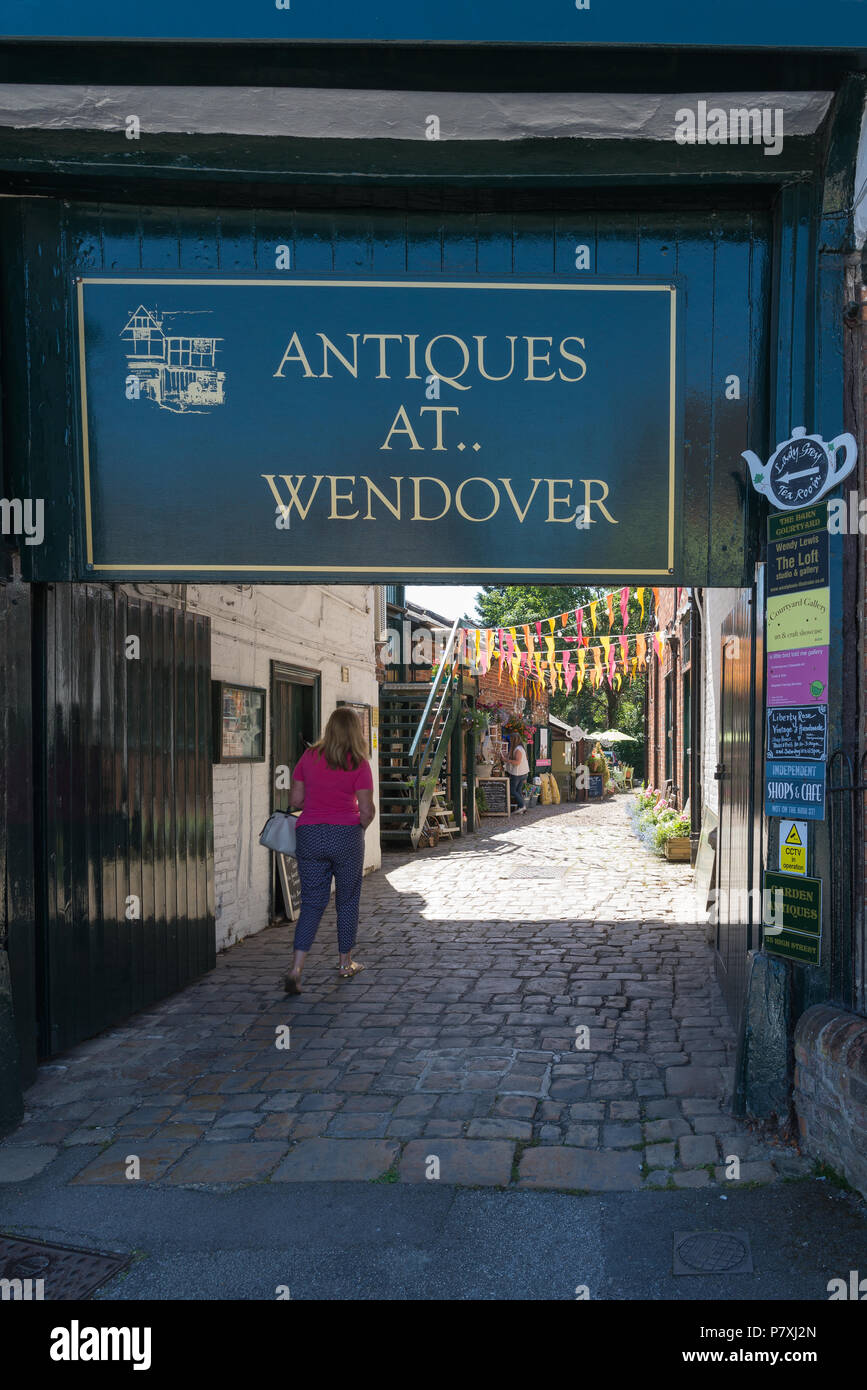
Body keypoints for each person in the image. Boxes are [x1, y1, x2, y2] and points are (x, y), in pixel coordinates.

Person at [282, 706, 376, 995]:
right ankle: (345, 963)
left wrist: (317, 805)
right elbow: (367, 809)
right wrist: (359, 825)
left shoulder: (308, 758)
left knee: (311, 903)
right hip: (345, 834)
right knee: (347, 900)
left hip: (309, 834)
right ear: (355, 732)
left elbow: (295, 800)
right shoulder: (359, 763)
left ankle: (297, 969)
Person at [507, 738, 529, 813]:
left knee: (512, 790)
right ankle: (522, 808)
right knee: (518, 791)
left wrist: (506, 760)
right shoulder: (521, 748)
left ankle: (522, 805)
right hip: (523, 772)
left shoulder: (518, 749)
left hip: (518, 773)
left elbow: (517, 762)